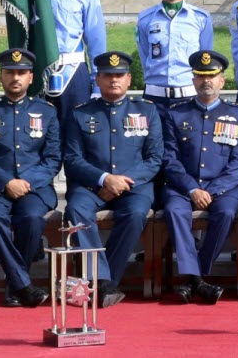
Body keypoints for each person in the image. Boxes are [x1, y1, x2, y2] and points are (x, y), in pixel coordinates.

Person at [62, 51, 163, 308]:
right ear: (97, 79)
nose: (113, 80)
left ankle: (102, 281)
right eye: (107, 76)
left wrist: (121, 183)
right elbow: (72, 159)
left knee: (137, 213)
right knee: (75, 210)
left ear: (129, 79)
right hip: (90, 186)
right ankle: (105, 282)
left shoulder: (147, 111)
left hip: (134, 187)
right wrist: (105, 179)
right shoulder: (80, 114)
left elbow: (154, 158)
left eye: (119, 75)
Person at [0, 48, 61, 308]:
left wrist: (26, 182)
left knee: (31, 218)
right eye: (10, 72)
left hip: (35, 188)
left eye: (21, 73)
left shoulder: (47, 112)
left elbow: (53, 158)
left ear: (31, 78)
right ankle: (23, 285)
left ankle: (14, 286)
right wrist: (6, 182)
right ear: (0, 77)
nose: (15, 77)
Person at [161, 49, 238, 304]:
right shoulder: (176, 114)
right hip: (183, 186)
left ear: (223, 80)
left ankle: (194, 276)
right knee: (175, 211)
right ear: (193, 79)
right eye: (200, 76)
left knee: (226, 213)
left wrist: (212, 191)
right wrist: (192, 189)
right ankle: (198, 281)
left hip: (223, 187)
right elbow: (170, 159)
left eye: (212, 75)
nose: (206, 81)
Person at [36, 0, 107, 128]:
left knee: (76, 136)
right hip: (38, 71)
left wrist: (97, 83)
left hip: (74, 72)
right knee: (37, 137)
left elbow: (96, 41)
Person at [136, 0, 213, 111]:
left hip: (188, 97)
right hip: (154, 99)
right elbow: (145, 57)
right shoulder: (145, 19)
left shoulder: (201, 19)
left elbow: (205, 58)